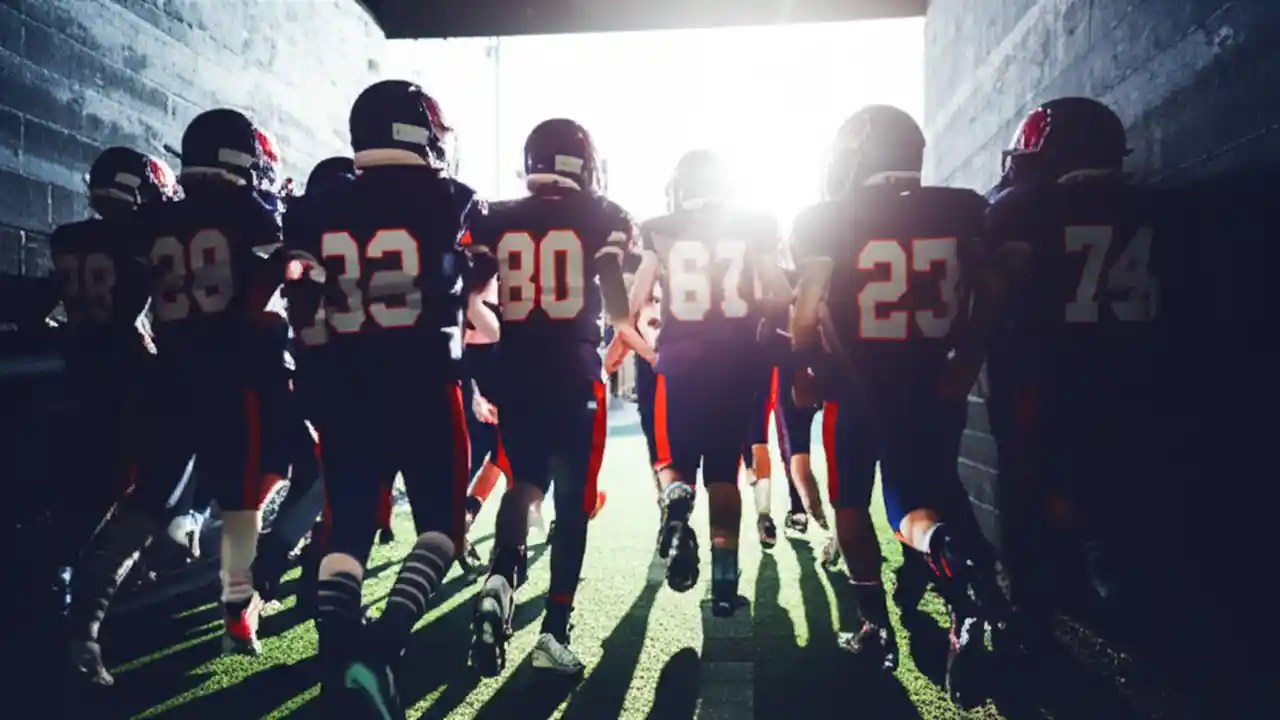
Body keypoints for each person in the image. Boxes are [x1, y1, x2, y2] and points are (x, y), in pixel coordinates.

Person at [789, 105, 1010, 698]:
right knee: (925, 495)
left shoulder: (827, 220)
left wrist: (805, 364)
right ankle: (967, 580)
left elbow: (807, 306)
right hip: (935, 384)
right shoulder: (962, 209)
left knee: (858, 506)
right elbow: (990, 289)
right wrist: (965, 358)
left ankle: (876, 623)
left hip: (856, 387)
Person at [283, 79, 480, 719]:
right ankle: (385, 646)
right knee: (443, 530)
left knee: (349, 528)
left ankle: (338, 657)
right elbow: (474, 287)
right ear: (418, 132)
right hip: (423, 383)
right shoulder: (454, 201)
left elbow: (301, 307)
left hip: (343, 386)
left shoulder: (312, 209)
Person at [468, 118, 649, 676]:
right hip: (573, 370)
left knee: (523, 484)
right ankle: (552, 632)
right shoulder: (604, 215)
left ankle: (500, 579)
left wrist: (485, 369)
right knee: (572, 505)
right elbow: (616, 299)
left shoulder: (493, 217)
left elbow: (472, 301)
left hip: (515, 365)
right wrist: (627, 336)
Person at [623, 149, 790, 617]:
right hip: (736, 365)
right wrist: (762, 329)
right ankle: (722, 579)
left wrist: (652, 353)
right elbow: (780, 293)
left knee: (680, 464)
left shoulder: (661, 231)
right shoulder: (753, 227)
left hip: (680, 363)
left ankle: (676, 505)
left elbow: (628, 306)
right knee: (724, 474)